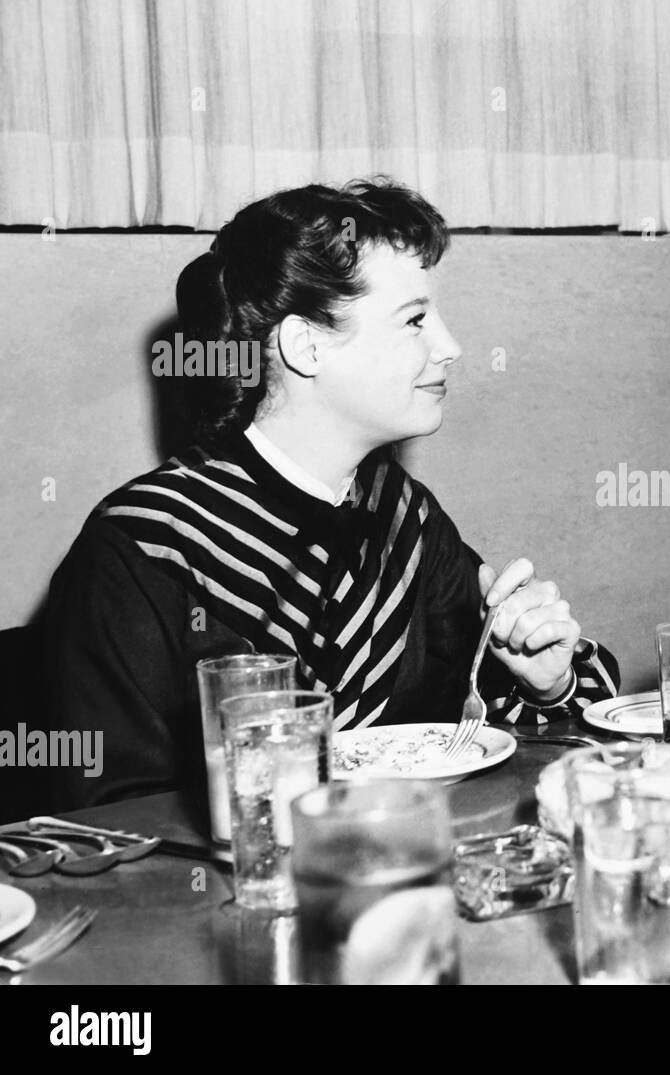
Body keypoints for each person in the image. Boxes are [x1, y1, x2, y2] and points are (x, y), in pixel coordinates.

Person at [41, 178, 618, 808]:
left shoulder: (404, 517)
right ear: (305, 345)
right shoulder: (144, 547)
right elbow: (110, 829)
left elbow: (486, 730)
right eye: (416, 320)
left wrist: (545, 682)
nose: (449, 348)